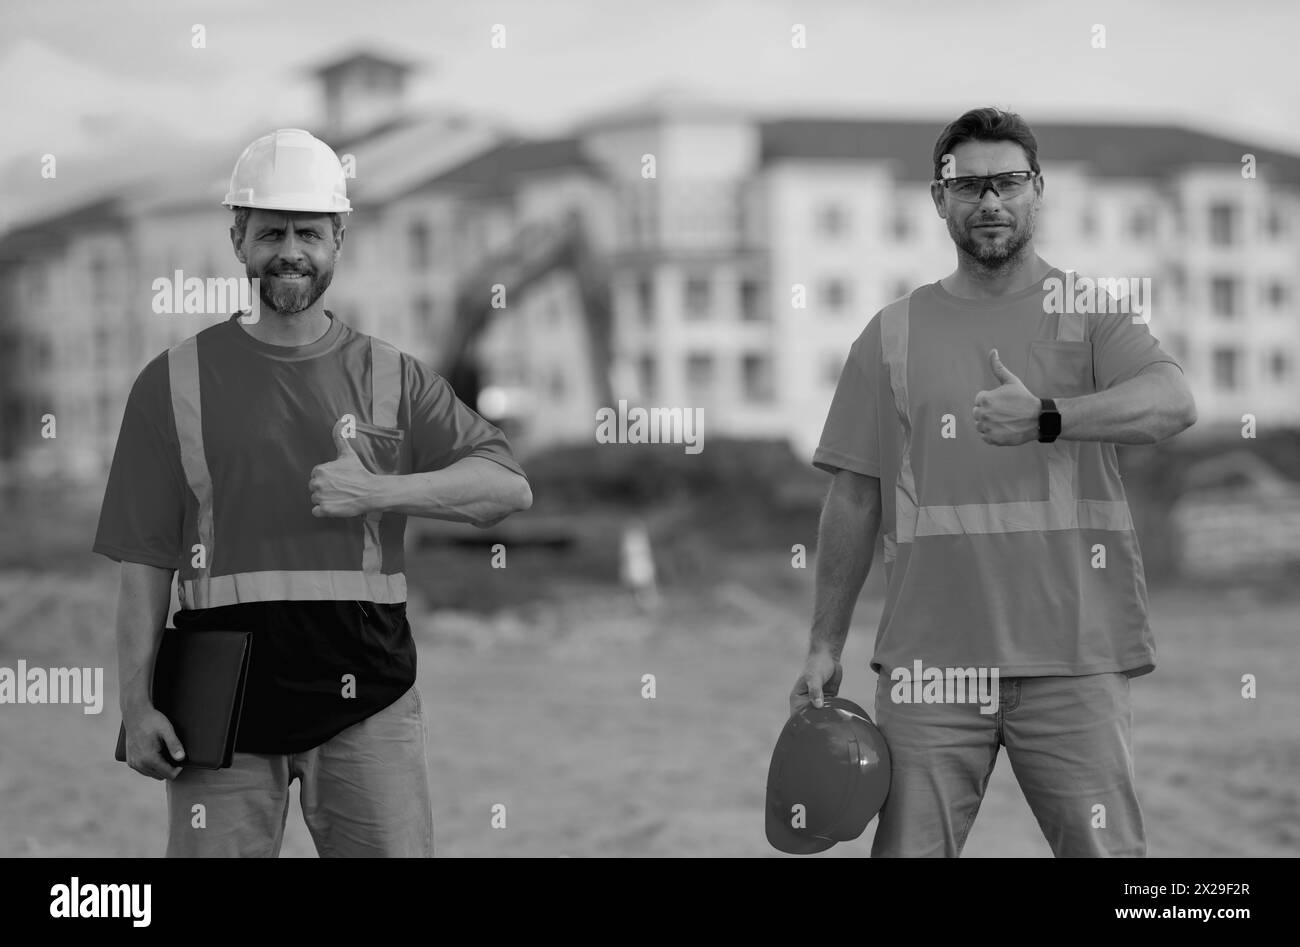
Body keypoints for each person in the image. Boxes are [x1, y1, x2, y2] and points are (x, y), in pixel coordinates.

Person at [94, 129, 532, 857]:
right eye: (271, 231)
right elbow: (143, 562)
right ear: (238, 238)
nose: (289, 249)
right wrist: (136, 704)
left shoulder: (393, 375)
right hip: (219, 705)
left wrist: (379, 490)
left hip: (370, 697)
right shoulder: (170, 384)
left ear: (338, 240)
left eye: (308, 231)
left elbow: (506, 486)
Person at [790, 107, 1196, 857]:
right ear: (938, 199)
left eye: (1008, 182)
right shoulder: (891, 334)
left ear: (1037, 190)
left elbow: (1173, 401)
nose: (990, 201)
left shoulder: (1085, 311)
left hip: (1073, 655)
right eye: (969, 185)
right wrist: (824, 641)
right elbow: (853, 494)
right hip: (930, 667)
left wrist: (1047, 416)